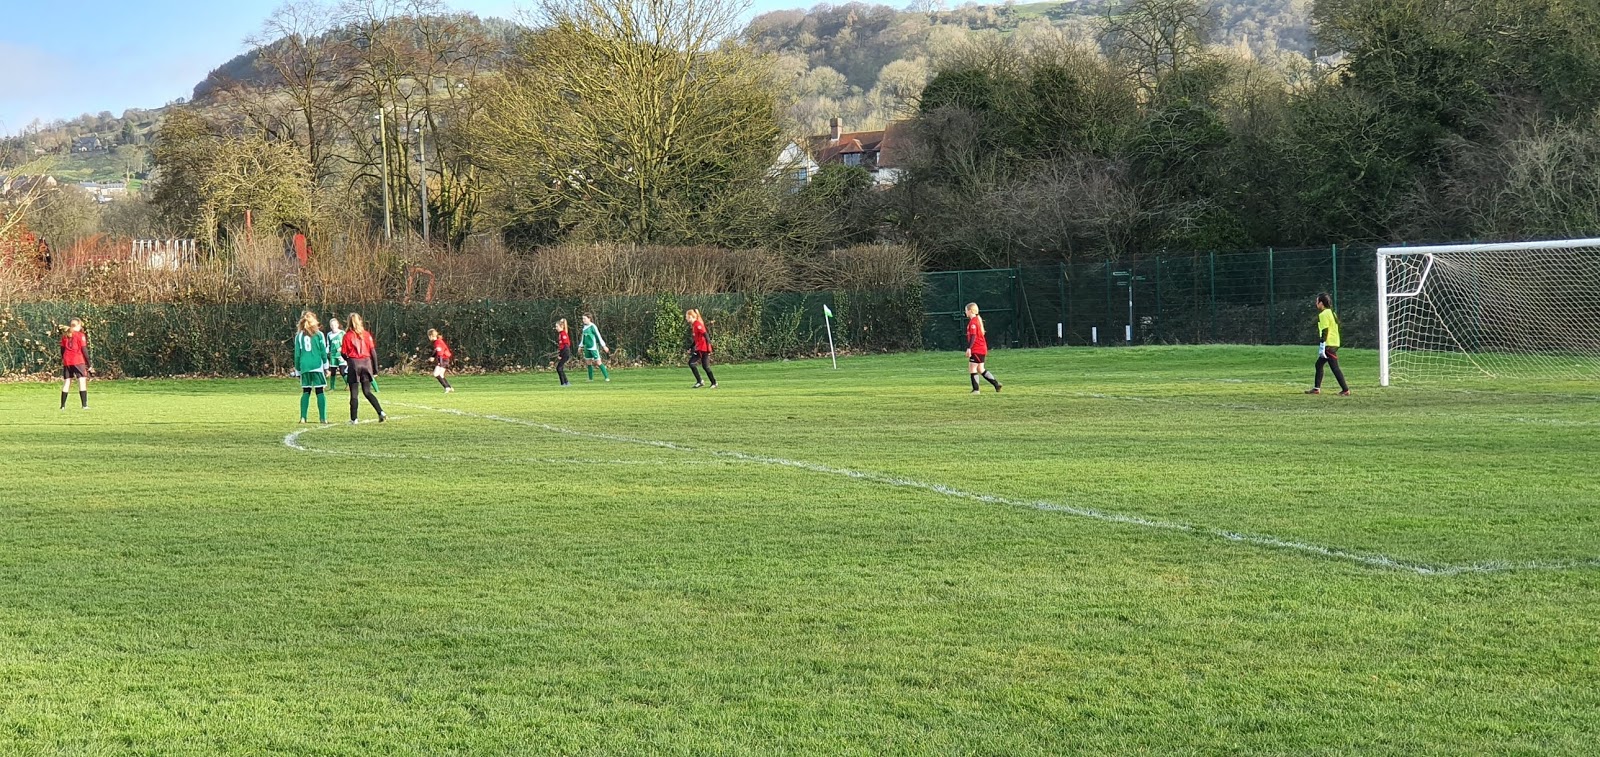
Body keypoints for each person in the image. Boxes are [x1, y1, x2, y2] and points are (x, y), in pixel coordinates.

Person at [340, 312, 386, 423]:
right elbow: (373, 352)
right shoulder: (366, 334)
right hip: (366, 363)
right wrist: (375, 368)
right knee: (367, 392)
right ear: (360, 321)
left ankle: (354, 419)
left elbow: (343, 353)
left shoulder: (347, 336)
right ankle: (380, 412)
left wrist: (349, 360)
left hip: (354, 364)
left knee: (354, 394)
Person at [1307, 292, 1351, 396]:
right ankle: (1316, 388)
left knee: (1335, 367)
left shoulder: (1323, 314)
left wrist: (1322, 346)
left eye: (1317, 301)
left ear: (1321, 303)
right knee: (1318, 365)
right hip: (1335, 343)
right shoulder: (1332, 313)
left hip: (1329, 344)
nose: (1316, 303)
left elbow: (1325, 330)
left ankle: (1345, 390)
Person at [293, 311, 330, 424]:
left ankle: (303, 417)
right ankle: (323, 418)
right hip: (316, 366)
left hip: (305, 366)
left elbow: (297, 355)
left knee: (306, 391)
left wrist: (298, 370)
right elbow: (323, 351)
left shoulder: (299, 336)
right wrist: (326, 366)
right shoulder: (319, 335)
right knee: (320, 391)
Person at [965, 302, 1002, 394]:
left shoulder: (973, 322)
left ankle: (976, 390)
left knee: (972, 368)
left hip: (977, 349)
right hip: (981, 348)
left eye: (966, 310)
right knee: (980, 369)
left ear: (970, 311)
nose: (965, 312)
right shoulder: (977, 319)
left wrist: (969, 348)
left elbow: (973, 336)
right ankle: (996, 384)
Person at [59, 318, 93, 410]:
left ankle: (62, 406)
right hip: (78, 360)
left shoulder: (65, 335)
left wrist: (64, 358)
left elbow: (62, 350)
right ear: (78, 326)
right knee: (81, 381)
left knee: (67, 382)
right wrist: (89, 364)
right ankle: (84, 405)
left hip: (67, 361)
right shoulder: (80, 335)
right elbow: (84, 350)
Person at [686, 308, 717, 389]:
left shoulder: (697, 324)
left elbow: (705, 334)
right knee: (693, 363)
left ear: (690, 317)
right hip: (699, 348)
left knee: (704, 366)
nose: (686, 318)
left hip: (704, 349)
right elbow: (697, 339)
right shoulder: (694, 325)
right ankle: (700, 381)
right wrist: (691, 347)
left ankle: (713, 382)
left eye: (686, 317)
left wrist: (709, 346)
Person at [579, 314, 611, 382]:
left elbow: (598, 336)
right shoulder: (584, 327)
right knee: (588, 363)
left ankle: (606, 377)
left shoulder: (593, 326)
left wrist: (604, 346)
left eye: (585, 318)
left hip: (593, 347)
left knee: (598, 362)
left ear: (589, 318)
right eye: (583, 319)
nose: (583, 320)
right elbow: (583, 338)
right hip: (586, 347)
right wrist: (580, 346)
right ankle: (590, 379)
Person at [427, 328, 455, 393]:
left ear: (431, 336)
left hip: (443, 359)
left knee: (436, 374)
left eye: (429, 336)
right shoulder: (438, 341)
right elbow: (436, 351)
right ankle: (449, 387)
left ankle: (447, 387)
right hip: (445, 359)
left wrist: (440, 363)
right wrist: (433, 357)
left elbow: (440, 353)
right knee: (441, 375)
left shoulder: (438, 342)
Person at [325, 317, 347, 390]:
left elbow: (347, 344)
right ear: (330, 326)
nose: (333, 326)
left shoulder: (342, 333)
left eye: (334, 325)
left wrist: (342, 348)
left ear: (337, 325)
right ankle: (332, 388)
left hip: (341, 355)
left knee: (342, 371)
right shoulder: (329, 335)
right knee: (333, 371)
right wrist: (325, 352)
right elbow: (328, 345)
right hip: (333, 355)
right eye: (332, 325)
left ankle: (349, 384)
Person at [554, 318, 572, 386]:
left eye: (557, 326)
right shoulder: (561, 333)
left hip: (565, 352)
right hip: (564, 352)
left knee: (559, 368)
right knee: (560, 368)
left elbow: (565, 346)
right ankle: (565, 382)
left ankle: (564, 383)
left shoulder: (563, 334)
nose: (556, 328)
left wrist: (561, 355)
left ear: (561, 326)